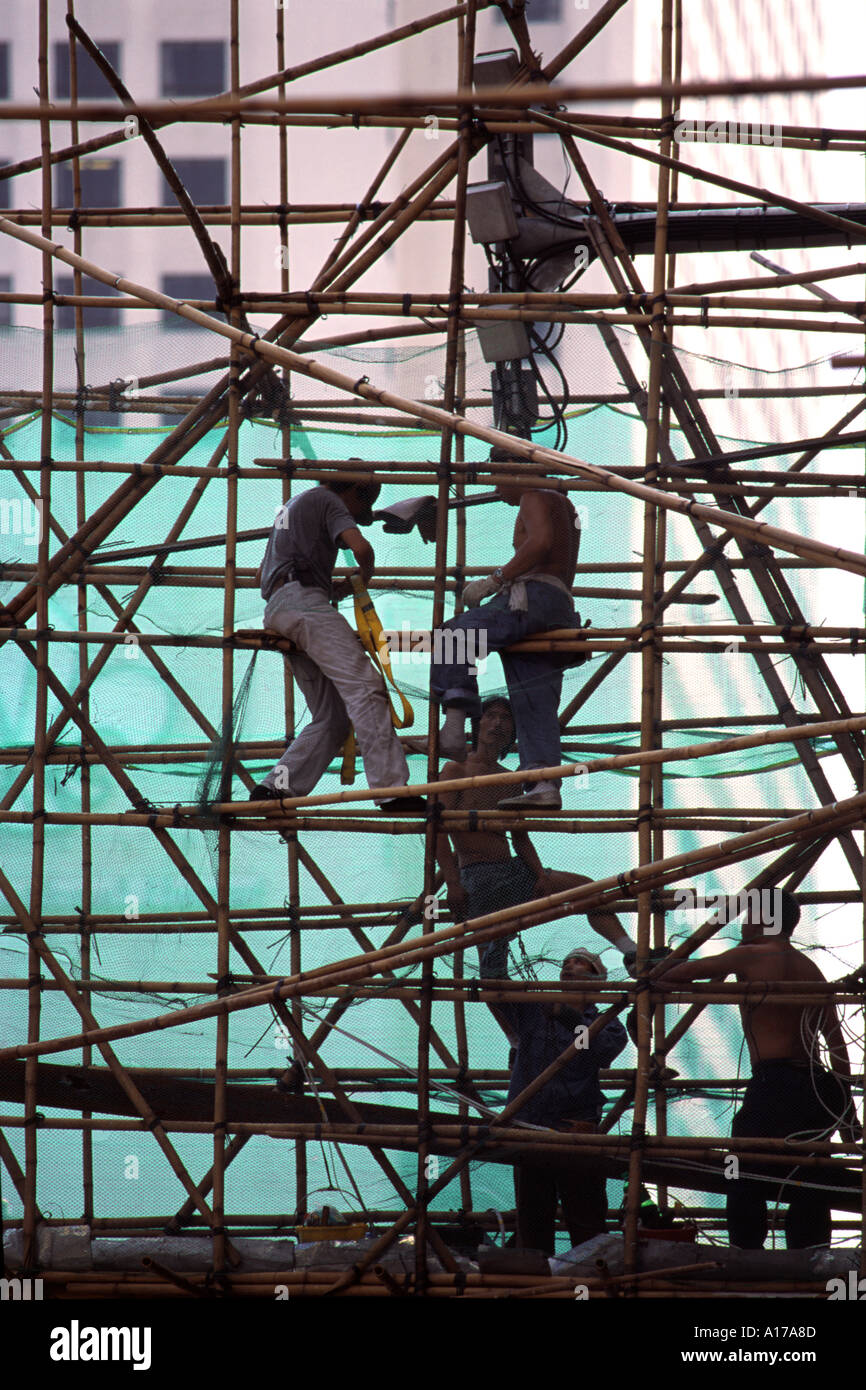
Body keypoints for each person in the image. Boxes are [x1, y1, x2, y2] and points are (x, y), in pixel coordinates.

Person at [657, 890, 862, 1249]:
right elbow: (838, 1048)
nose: (744, 922)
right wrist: (847, 1115)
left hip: (774, 1083)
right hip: (815, 1087)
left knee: (744, 1167)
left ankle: (746, 1259)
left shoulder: (749, 955)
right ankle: (808, 1260)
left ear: (765, 920)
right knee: (807, 1175)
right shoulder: (813, 972)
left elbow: (676, 975)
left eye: (750, 914)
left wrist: (659, 971)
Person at [251, 479, 425, 814]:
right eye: (366, 503)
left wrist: (325, 586)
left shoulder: (294, 506)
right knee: (366, 687)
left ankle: (274, 789)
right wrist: (364, 575)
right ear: (349, 491)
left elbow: (261, 575)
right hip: (303, 603)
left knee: (333, 719)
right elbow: (362, 550)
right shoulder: (329, 500)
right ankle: (392, 791)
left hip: (281, 606)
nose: (364, 514)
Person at [435, 696, 637, 968]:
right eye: (491, 715)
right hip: (478, 880)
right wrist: (453, 884)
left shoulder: (511, 780)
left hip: (513, 873)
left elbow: (520, 836)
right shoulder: (455, 770)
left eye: (506, 719)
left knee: (590, 890)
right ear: (477, 724)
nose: (498, 723)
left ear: (514, 732)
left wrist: (539, 873)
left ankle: (632, 952)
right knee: (492, 974)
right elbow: (436, 830)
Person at [430, 479, 582, 810]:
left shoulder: (534, 494)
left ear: (513, 470)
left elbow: (540, 543)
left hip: (533, 598)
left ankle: (455, 726)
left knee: (454, 634)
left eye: (497, 478)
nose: (496, 489)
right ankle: (543, 783)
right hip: (558, 607)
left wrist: (494, 580)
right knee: (533, 698)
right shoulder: (567, 506)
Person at [480, 934, 628, 1254]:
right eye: (566, 963)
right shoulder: (533, 1010)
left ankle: (589, 1279)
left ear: (597, 982)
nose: (570, 966)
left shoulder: (606, 1025)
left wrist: (566, 1015)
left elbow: (596, 1051)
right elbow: (493, 985)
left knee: (586, 1219)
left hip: (576, 1130)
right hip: (529, 1129)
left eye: (580, 962)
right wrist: (497, 938)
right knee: (534, 1220)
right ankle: (538, 1284)